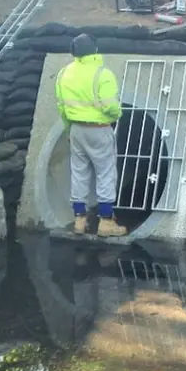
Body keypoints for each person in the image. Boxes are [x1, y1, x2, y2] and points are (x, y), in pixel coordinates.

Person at [55, 33, 128, 238]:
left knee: (79, 173)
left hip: (76, 129)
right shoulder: (102, 74)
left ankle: (79, 220)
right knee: (105, 173)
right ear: (95, 50)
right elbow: (111, 106)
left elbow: (61, 106)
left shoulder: (64, 74)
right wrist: (118, 115)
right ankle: (106, 223)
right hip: (99, 129)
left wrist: (69, 129)